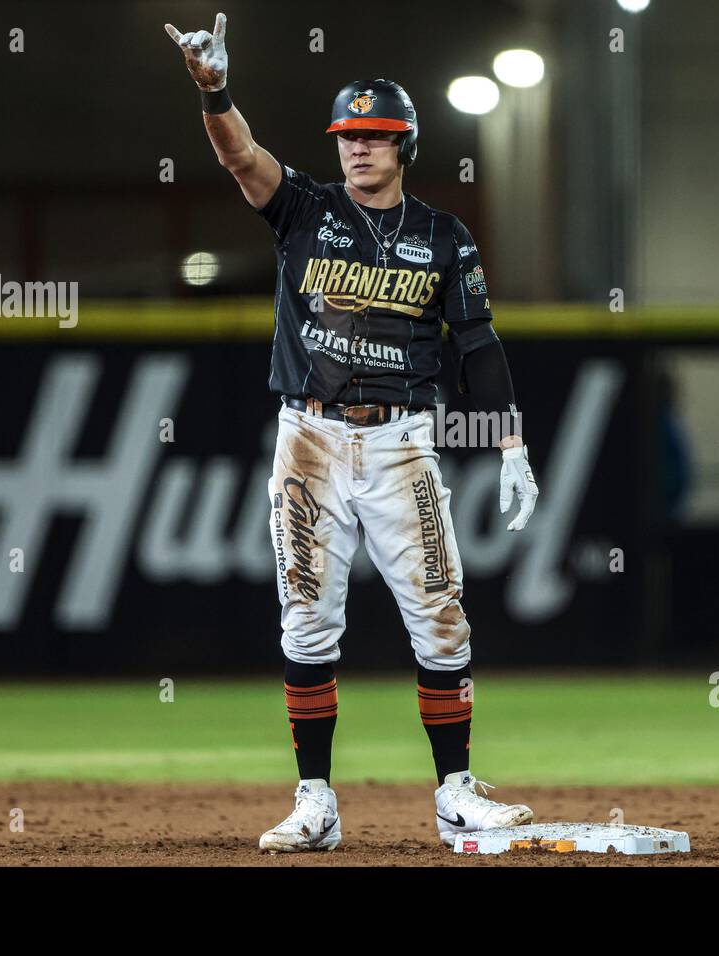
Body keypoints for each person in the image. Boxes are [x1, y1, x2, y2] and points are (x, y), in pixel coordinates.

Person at [165, 13, 539, 852]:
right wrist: (214, 91)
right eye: (347, 135)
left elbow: (478, 344)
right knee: (306, 619)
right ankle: (315, 800)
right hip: (310, 436)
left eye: (374, 136)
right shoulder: (305, 210)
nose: (357, 149)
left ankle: (453, 793)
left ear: (406, 144)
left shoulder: (444, 236)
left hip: (401, 439)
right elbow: (239, 157)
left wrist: (509, 442)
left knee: (441, 614)